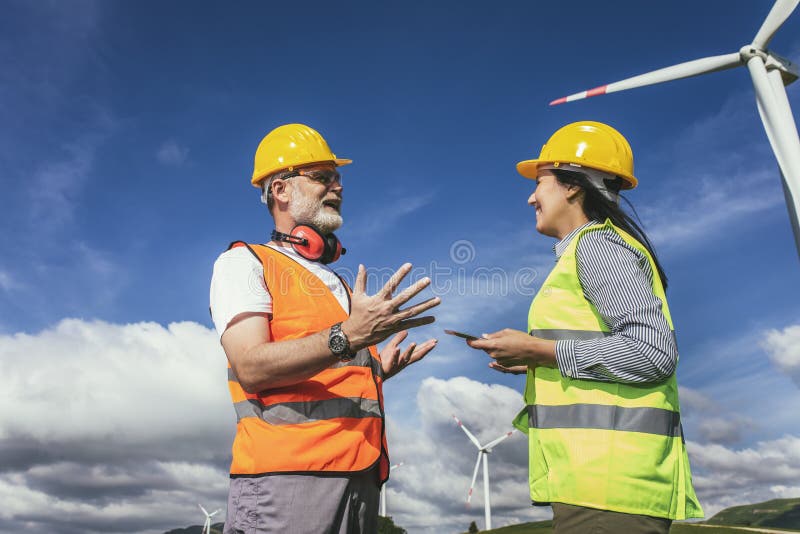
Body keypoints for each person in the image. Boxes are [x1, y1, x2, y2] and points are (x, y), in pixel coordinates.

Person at [467, 121, 703, 533]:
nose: (530, 197)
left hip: (608, 487)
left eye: (540, 183)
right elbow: (609, 345)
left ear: (572, 186)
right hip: (599, 484)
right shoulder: (589, 249)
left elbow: (654, 353)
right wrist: (536, 360)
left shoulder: (596, 246)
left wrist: (542, 351)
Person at [209, 123, 440, 534]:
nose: (338, 186)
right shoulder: (244, 264)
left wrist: (374, 369)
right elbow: (251, 366)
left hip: (361, 476)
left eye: (338, 178)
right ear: (280, 190)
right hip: (287, 482)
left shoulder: (337, 284)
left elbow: (322, 368)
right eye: (322, 177)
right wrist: (350, 336)